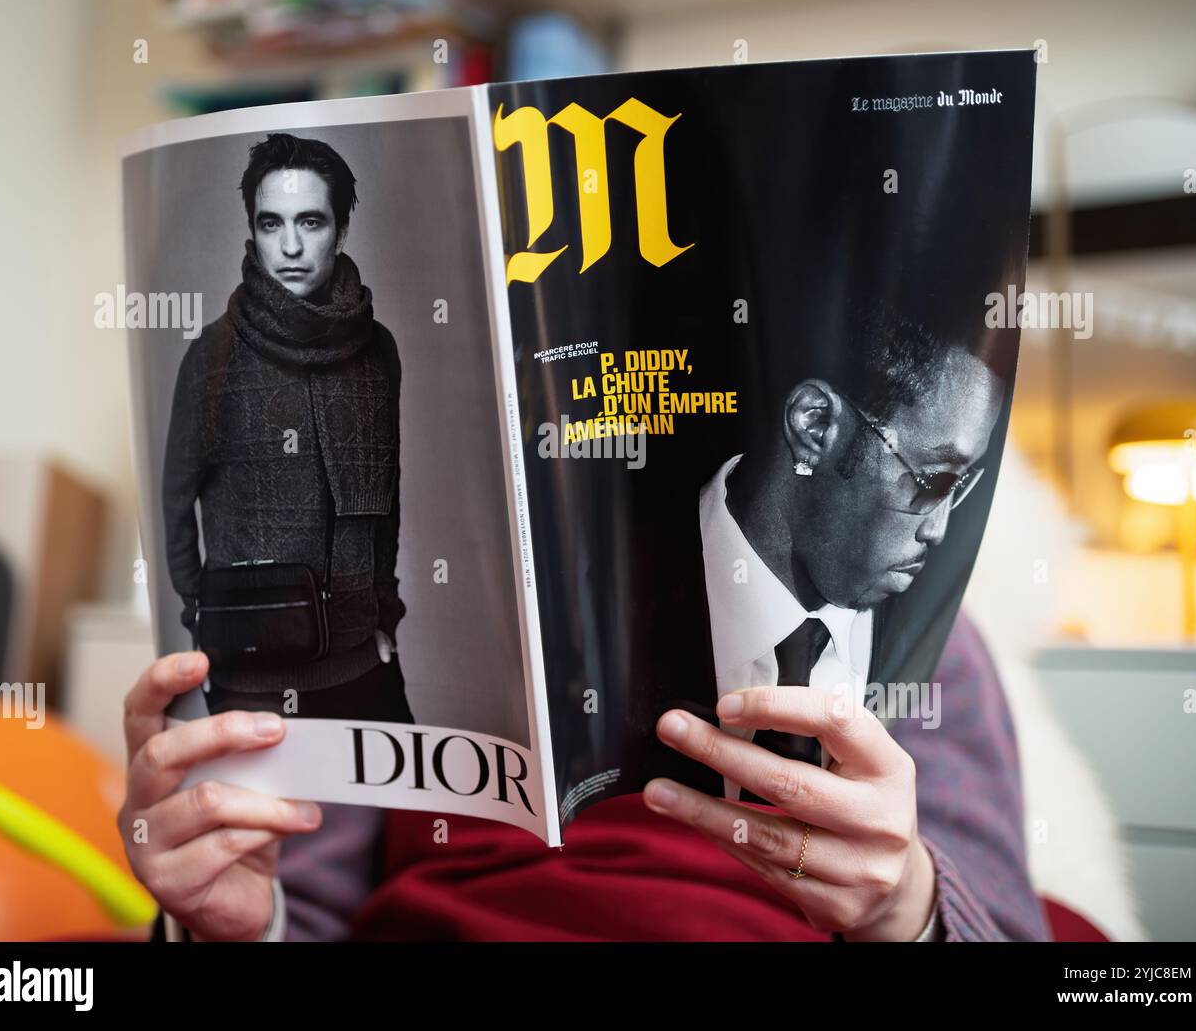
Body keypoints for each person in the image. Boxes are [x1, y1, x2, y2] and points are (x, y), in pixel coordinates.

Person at [118, 611, 1050, 942]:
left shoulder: (907, 614)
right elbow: (304, 910)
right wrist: (240, 925)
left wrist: (908, 910)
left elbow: (998, 919)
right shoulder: (393, 624)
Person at [161, 133, 413, 723]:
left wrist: (384, 614)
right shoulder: (213, 353)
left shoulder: (378, 351)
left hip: (359, 660)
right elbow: (175, 503)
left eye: (311, 222)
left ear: (341, 231)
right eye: (272, 224)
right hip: (250, 670)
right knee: (257, 817)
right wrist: (203, 616)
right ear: (252, 232)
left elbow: (387, 500)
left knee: (390, 816)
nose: (292, 246)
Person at [698, 313, 1004, 797]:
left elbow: (993, 865)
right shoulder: (592, 592)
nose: (939, 530)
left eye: (961, 486)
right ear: (815, 425)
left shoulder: (947, 645)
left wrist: (914, 873)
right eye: (935, 479)